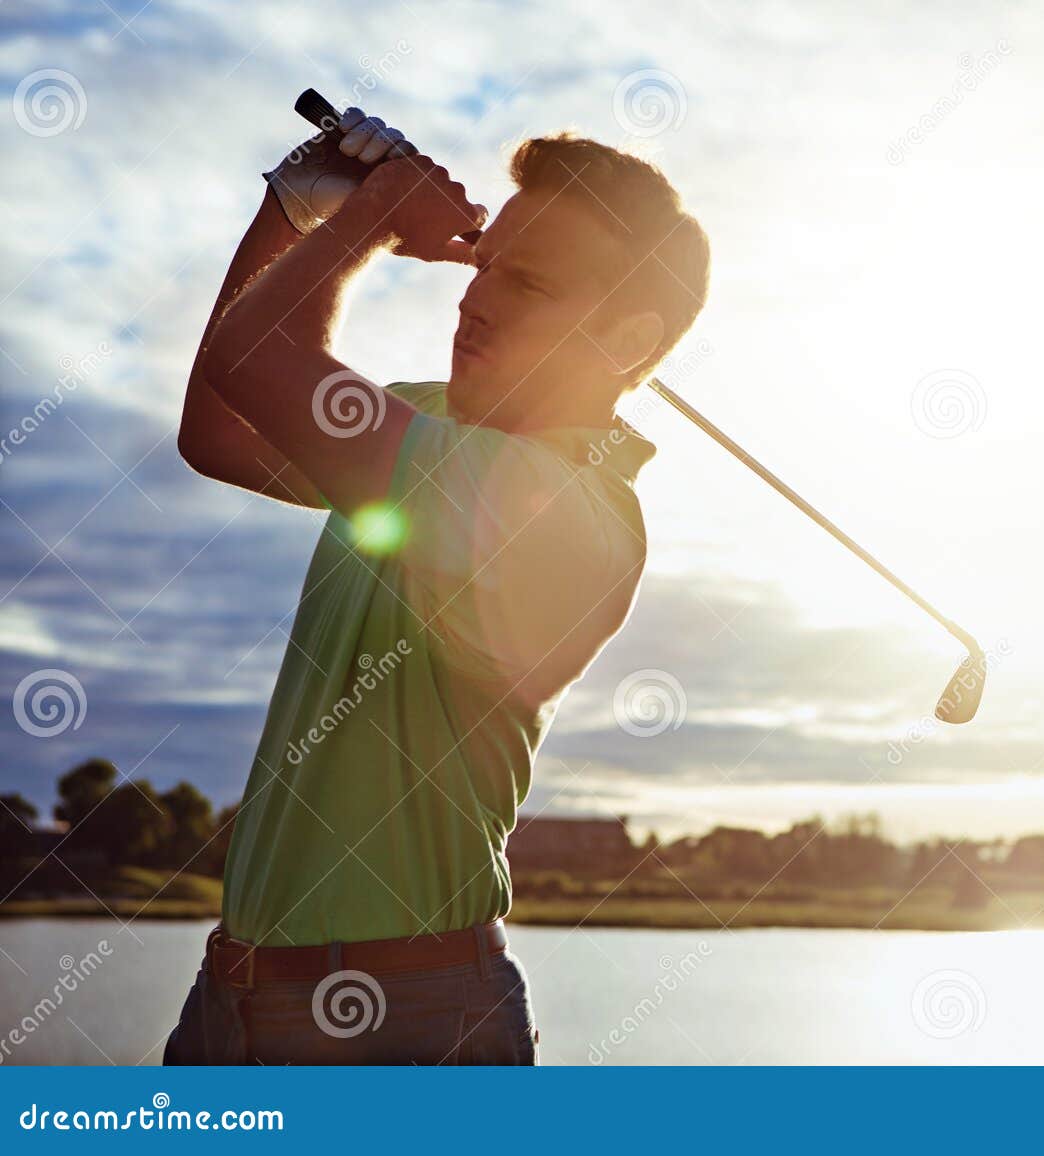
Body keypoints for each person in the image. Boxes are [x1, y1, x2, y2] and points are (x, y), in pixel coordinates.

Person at [163, 106, 710, 1064]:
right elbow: (216, 429)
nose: (475, 299)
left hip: (404, 1018)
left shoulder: (562, 510)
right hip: (233, 1000)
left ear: (629, 338)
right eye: (486, 262)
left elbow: (260, 361)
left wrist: (369, 219)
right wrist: (294, 211)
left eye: (528, 281)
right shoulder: (427, 425)